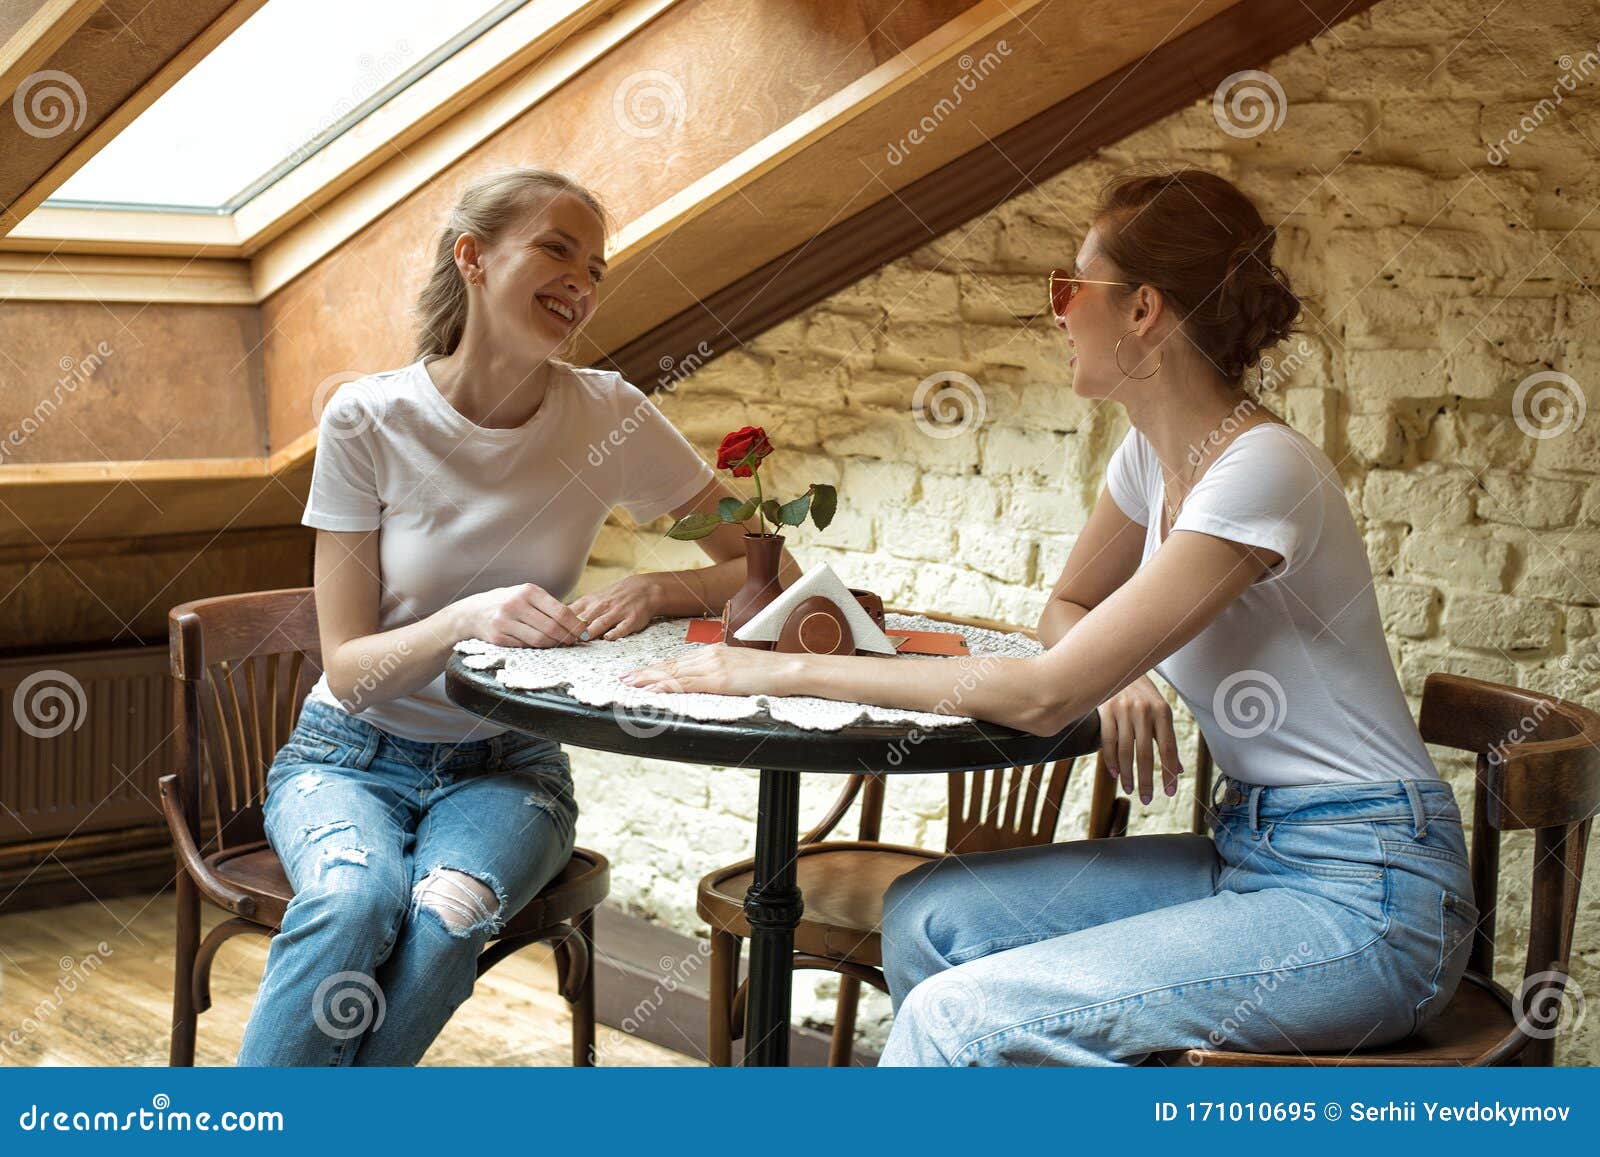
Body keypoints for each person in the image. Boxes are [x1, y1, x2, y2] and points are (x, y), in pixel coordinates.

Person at [623, 168, 1478, 1066]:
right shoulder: (1152, 460)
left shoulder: (1260, 471)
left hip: (1368, 893)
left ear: (1142, 308)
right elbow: (1065, 607)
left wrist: (778, 666)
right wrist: (1123, 669)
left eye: (1072, 286)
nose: (1058, 312)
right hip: (1251, 848)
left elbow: (1040, 695)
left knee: (957, 1023)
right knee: (927, 913)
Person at [238, 168, 795, 1066]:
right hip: (348, 755)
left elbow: (770, 567)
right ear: (473, 256)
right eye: (556, 249)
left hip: (511, 766)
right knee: (352, 901)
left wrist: (657, 588)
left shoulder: (607, 411)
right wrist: (466, 616)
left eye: (595, 269)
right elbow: (347, 667)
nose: (581, 281)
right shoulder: (368, 419)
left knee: (448, 914)